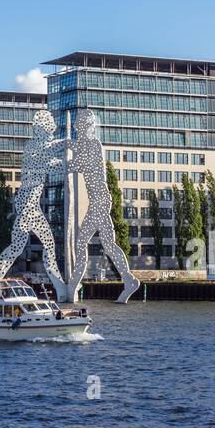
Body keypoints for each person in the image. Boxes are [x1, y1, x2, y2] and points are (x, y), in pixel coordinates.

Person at [0, 110, 70, 298]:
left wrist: (69, 161)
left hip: (30, 206)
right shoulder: (34, 148)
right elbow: (51, 153)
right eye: (49, 126)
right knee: (43, 245)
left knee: (19, 245)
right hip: (27, 204)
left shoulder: (40, 149)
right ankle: (58, 286)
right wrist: (69, 143)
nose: (53, 129)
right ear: (42, 129)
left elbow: (56, 165)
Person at [67, 110, 141, 304]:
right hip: (98, 200)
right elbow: (76, 152)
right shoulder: (84, 144)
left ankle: (74, 283)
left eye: (80, 126)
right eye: (77, 126)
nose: (77, 128)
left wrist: (64, 158)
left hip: (99, 200)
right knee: (109, 245)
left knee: (82, 243)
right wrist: (67, 145)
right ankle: (128, 280)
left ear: (87, 127)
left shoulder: (93, 144)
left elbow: (78, 164)